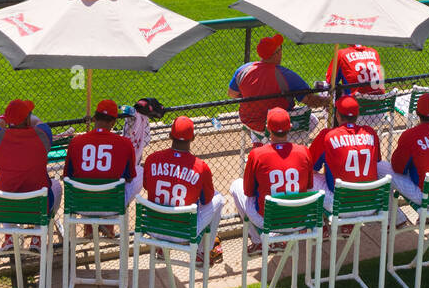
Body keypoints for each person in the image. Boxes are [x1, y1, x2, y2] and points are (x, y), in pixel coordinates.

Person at [231, 106, 317, 255]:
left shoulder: (257, 154)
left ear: (267, 128)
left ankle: (258, 241)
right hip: (299, 219)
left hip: (269, 221)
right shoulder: (304, 151)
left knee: (235, 186)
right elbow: (309, 186)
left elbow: (248, 191)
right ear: (289, 128)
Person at [141, 115, 224, 264]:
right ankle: (204, 252)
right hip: (183, 232)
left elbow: (147, 187)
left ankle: (162, 247)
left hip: (153, 228)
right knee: (219, 198)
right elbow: (206, 200)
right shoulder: (200, 167)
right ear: (192, 138)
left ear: (170, 135)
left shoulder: (152, 159)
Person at [0, 98, 60, 249]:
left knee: (1, 186)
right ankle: (37, 237)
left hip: (4, 209)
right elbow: (38, 122)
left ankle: (9, 237)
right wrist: (28, 116)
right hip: (36, 208)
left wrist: (4, 118)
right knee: (57, 185)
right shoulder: (42, 136)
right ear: (27, 120)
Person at [65, 99, 142, 235]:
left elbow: (67, 177)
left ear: (94, 118)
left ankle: (88, 224)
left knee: (78, 182)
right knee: (140, 171)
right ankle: (109, 222)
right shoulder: (125, 143)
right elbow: (129, 178)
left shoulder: (76, 142)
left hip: (81, 205)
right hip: (112, 206)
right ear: (113, 122)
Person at [227, 34, 324, 137]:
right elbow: (310, 100)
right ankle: (289, 146)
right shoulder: (286, 75)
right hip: (277, 125)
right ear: (277, 54)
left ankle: (258, 141)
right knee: (313, 120)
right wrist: (328, 100)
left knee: (260, 119)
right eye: (280, 49)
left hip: (250, 122)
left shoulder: (243, 70)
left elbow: (232, 94)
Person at [309, 95, 390, 211]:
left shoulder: (327, 135)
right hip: (371, 204)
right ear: (357, 116)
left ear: (337, 115)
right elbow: (376, 161)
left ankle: (318, 224)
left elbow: (310, 168)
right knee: (382, 167)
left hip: (340, 206)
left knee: (308, 176)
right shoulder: (370, 133)